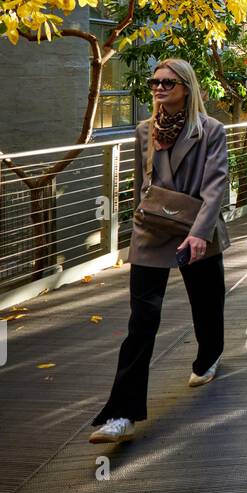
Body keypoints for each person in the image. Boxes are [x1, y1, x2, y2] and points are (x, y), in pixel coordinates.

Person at [90, 58, 230, 444]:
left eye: (168, 83)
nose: (159, 88)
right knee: (142, 321)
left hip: (196, 230)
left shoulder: (211, 131)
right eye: (155, 83)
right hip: (152, 232)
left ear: (186, 87)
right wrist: (137, 225)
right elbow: (141, 186)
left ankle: (208, 357)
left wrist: (200, 232)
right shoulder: (143, 131)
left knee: (207, 304)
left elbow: (216, 186)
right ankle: (122, 414)